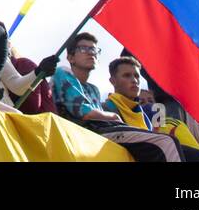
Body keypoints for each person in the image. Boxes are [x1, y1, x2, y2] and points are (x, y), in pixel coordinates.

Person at [52, 34, 187, 162]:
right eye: (83, 48)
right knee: (166, 141)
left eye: (93, 49)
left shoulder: (93, 89)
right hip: (85, 133)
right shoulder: (62, 72)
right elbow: (86, 114)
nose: (90, 52)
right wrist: (113, 116)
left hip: (105, 131)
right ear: (70, 58)